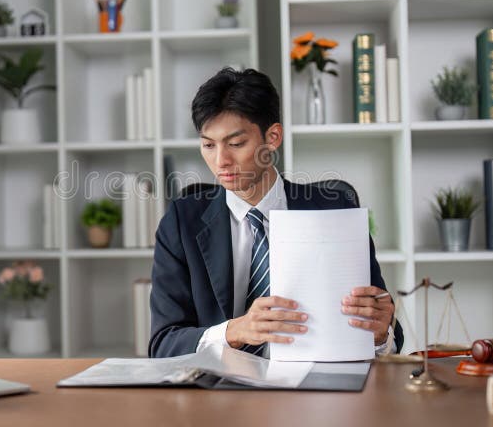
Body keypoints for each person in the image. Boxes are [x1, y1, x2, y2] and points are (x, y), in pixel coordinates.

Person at [149, 67, 403, 358]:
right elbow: (163, 344)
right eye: (208, 145)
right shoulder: (181, 222)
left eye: (235, 144)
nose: (221, 161)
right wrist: (236, 330)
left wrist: (382, 334)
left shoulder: (336, 209)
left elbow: (388, 336)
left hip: (316, 387)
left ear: (273, 137)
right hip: (220, 393)